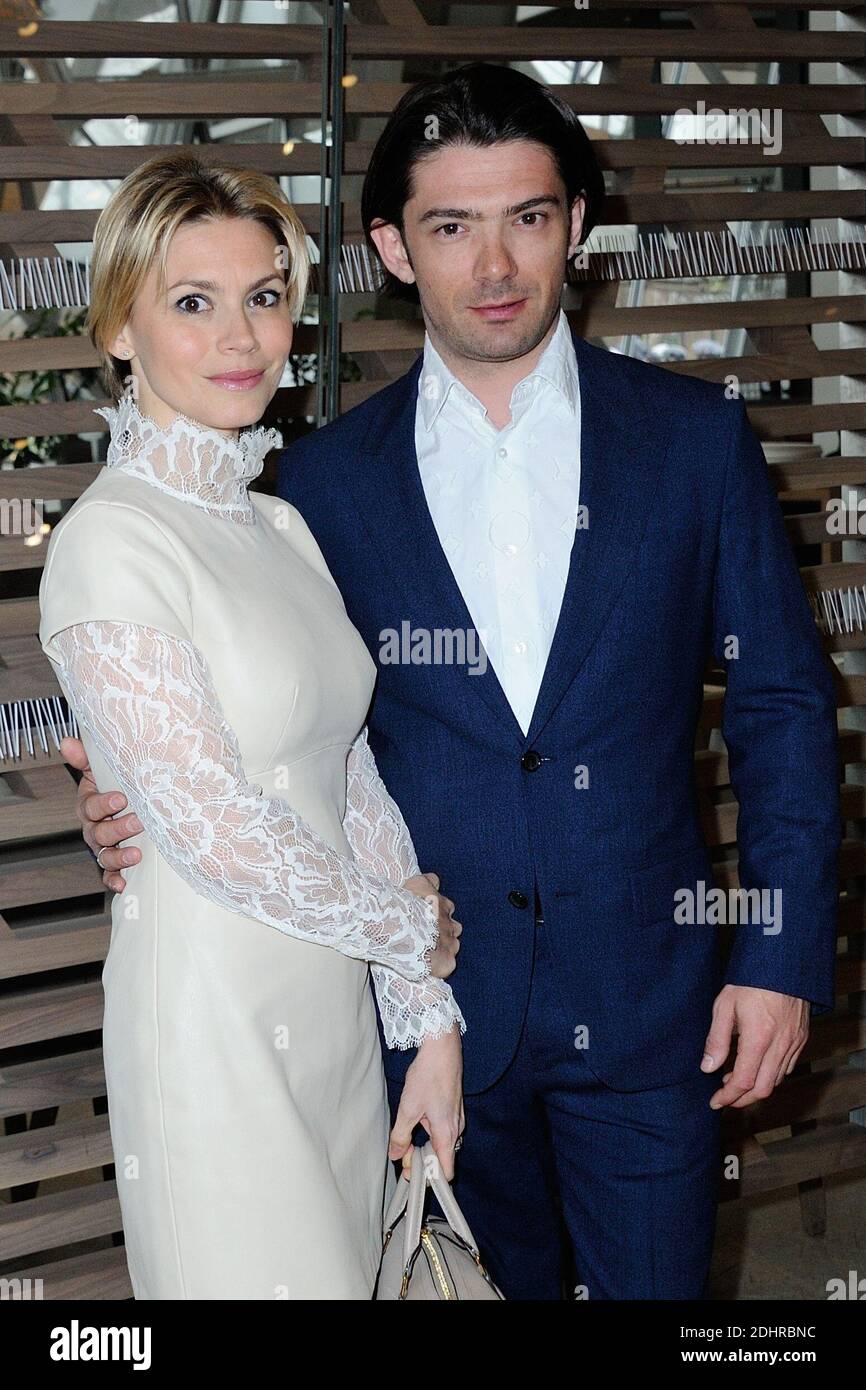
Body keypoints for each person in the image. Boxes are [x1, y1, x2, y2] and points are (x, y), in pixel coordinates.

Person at [71, 65, 841, 1301]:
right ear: (388, 246)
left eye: (527, 217)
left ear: (575, 226)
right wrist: (120, 791)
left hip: (652, 1017)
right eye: (449, 225)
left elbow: (782, 706)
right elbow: (267, 730)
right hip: (423, 1036)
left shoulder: (693, 442)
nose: (494, 264)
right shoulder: (316, 489)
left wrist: (780, 952)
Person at [39, 150, 465, 1301]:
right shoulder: (107, 542)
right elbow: (212, 829)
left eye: (265, 297)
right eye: (193, 302)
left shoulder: (279, 528)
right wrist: (404, 928)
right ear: (120, 327)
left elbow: (349, 777)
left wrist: (425, 1017)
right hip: (213, 1025)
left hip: (330, 1015)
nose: (242, 336)